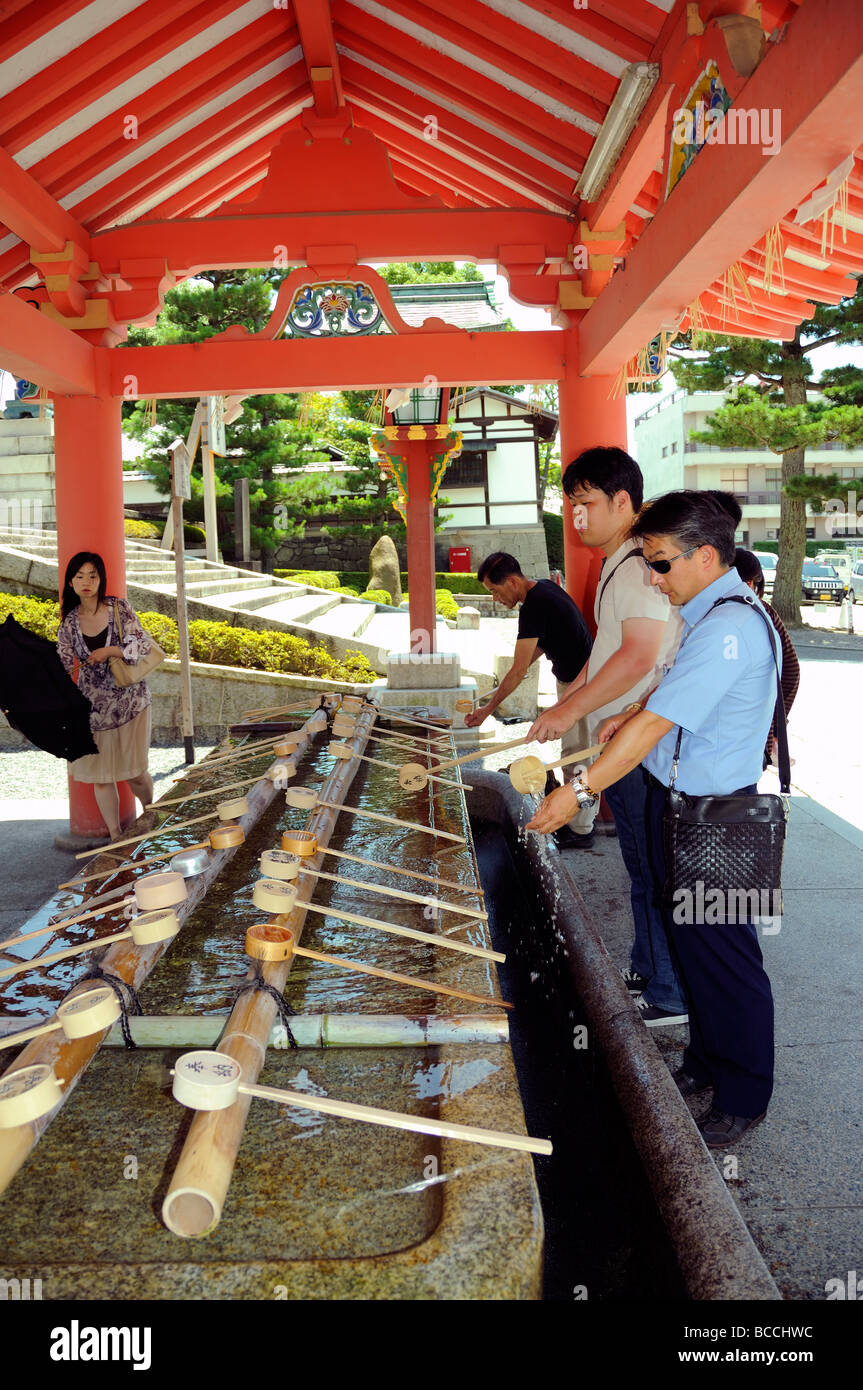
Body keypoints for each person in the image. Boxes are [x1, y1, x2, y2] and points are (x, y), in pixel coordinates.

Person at [527, 491, 781, 1147]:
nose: (652, 576)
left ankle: (743, 1094)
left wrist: (575, 791)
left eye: (660, 563)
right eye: (646, 561)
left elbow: (649, 732)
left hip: (720, 815)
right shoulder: (707, 612)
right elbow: (661, 705)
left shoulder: (727, 626)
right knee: (694, 949)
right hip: (692, 808)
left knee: (726, 959)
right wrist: (627, 714)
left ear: (703, 555)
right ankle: (707, 1062)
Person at [527, 447, 687, 1026]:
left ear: (624, 502)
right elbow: (607, 657)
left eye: (585, 503)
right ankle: (649, 968)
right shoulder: (622, 562)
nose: (576, 517)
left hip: (643, 746)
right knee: (641, 867)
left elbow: (638, 655)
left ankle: (669, 993)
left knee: (654, 868)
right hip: (620, 743)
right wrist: (569, 705)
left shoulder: (642, 564)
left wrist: (571, 714)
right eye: (569, 505)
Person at [465, 551, 594, 848]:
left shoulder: (534, 606)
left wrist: (487, 710)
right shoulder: (544, 591)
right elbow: (533, 654)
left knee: (577, 756)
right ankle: (579, 822)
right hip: (579, 680)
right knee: (577, 753)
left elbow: (519, 669)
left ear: (512, 581)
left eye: (495, 591)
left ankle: (582, 829)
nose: (495, 598)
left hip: (580, 685)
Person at [57, 552, 154, 840]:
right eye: (80, 576)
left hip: (131, 703)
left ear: (101, 579)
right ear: (71, 582)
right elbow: (61, 665)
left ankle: (151, 813)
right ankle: (115, 836)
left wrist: (110, 651)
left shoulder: (119, 608)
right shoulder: (69, 623)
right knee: (101, 776)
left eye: (93, 575)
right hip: (94, 710)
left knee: (135, 771)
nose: (87, 582)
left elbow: (143, 645)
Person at [734, 548, 800, 767]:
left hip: (730, 744)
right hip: (751, 741)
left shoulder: (760, 612)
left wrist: (775, 727)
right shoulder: (763, 612)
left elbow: (790, 671)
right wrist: (775, 728)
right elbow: (791, 672)